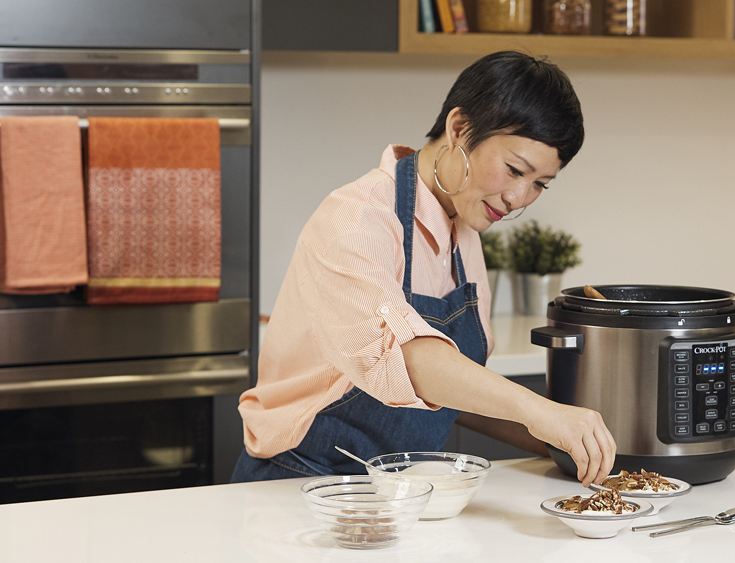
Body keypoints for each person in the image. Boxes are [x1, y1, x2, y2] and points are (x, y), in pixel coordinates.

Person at [232, 51, 616, 487]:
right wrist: (539, 410)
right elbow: (406, 359)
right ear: (459, 128)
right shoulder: (358, 218)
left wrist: (560, 442)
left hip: (401, 491)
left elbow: (451, 392)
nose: (518, 198)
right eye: (514, 170)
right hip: (299, 483)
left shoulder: (464, 233)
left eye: (539, 184)